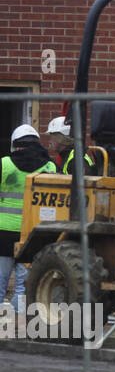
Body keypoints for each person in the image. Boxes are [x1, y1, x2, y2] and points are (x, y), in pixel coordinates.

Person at [0, 124, 56, 313]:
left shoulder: (5, 164)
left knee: (0, 282)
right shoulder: (49, 165)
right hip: (33, 233)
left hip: (4, 232)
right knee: (23, 286)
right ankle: (19, 324)